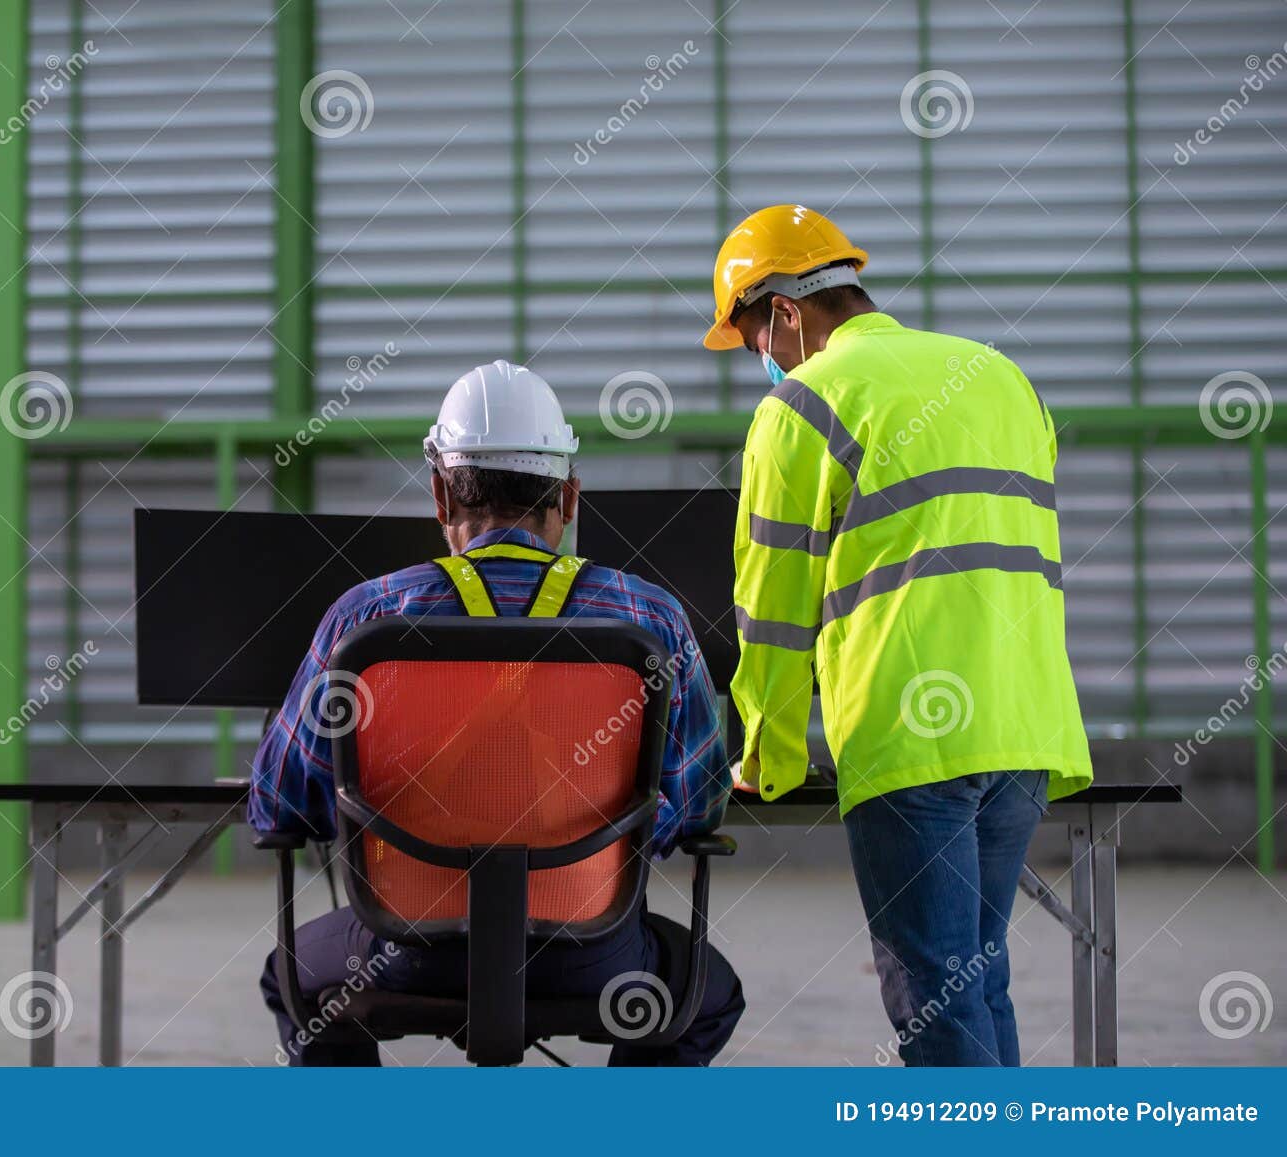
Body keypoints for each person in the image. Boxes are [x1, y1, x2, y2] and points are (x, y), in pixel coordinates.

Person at [249, 359, 743, 1066]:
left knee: (296, 977)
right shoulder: (649, 618)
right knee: (703, 993)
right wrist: (608, 832)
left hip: (403, 952)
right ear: (569, 498)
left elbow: (275, 807)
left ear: (442, 496)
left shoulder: (367, 618)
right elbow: (698, 808)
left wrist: (386, 819)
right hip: (592, 957)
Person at [703, 204, 1093, 1067]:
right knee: (977, 983)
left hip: (911, 737)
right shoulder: (998, 374)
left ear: (788, 313)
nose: (760, 364)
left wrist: (767, 752)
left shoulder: (802, 406)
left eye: (755, 339)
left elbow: (772, 608)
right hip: (1024, 727)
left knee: (936, 999)